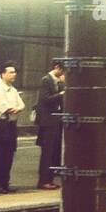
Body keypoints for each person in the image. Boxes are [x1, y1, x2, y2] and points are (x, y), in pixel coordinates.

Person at [0, 63, 24, 192]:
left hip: (10, 124)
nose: (14, 74)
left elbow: (21, 104)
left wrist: (16, 108)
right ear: (3, 73)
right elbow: (5, 108)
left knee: (9, 154)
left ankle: (3, 182)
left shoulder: (11, 88)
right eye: (11, 72)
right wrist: (15, 108)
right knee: (0, 155)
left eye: (15, 72)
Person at [36, 60, 66, 190]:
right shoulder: (46, 80)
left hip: (55, 120)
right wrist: (61, 94)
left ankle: (49, 179)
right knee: (47, 152)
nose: (63, 73)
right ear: (57, 67)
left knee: (53, 151)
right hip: (48, 121)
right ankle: (43, 181)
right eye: (62, 70)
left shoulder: (57, 81)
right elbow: (45, 99)